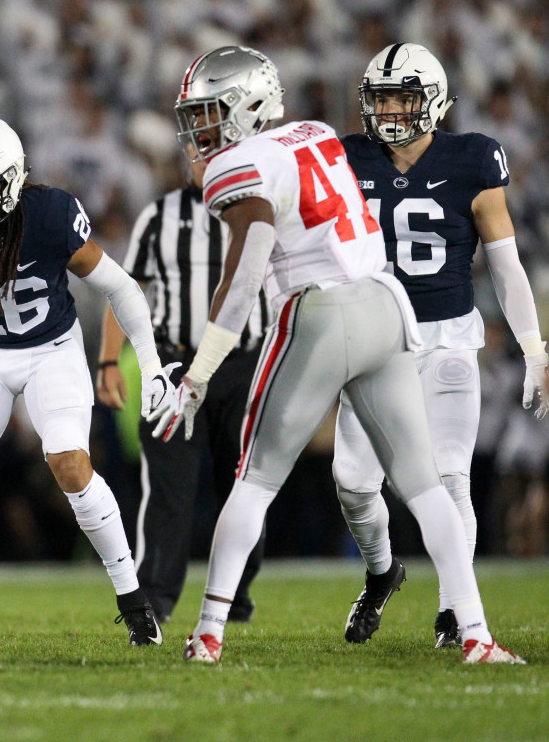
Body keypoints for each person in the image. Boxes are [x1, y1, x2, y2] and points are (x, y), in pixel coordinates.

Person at [148, 45, 524, 664]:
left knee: (255, 478)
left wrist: (198, 375)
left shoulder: (236, 164)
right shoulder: (316, 133)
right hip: (385, 303)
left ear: (247, 107)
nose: (200, 128)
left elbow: (248, 267)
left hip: (318, 312)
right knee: (427, 487)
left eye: (211, 112)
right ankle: (478, 636)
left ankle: (209, 632)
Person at [0, 115, 178, 647]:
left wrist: (154, 365)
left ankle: (134, 601)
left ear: (12, 179)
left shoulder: (48, 214)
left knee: (70, 462)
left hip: (52, 349)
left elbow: (121, 286)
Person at [334, 43, 548, 648]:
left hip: (448, 340)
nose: (390, 110)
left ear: (432, 100)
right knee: (352, 482)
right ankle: (381, 573)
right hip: (373, 343)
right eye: (380, 98)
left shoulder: (474, 159)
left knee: (451, 475)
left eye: (403, 97)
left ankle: (456, 611)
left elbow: (505, 266)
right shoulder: (348, 158)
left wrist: (534, 348)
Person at [96, 153, 269, 625]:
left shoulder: (261, 207)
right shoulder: (159, 215)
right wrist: (109, 359)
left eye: (213, 151)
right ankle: (155, 594)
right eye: (197, 151)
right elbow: (126, 289)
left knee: (245, 482)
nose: (203, 160)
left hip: (242, 363)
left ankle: (236, 592)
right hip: (175, 361)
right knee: (167, 487)